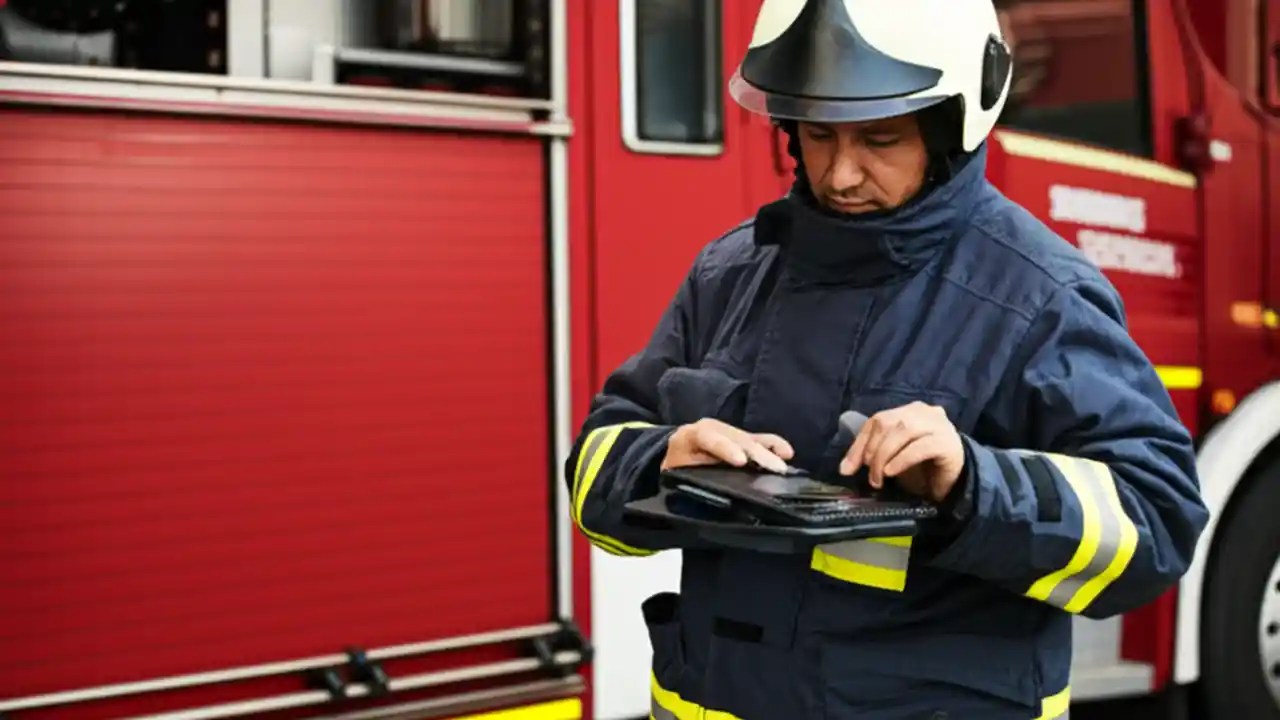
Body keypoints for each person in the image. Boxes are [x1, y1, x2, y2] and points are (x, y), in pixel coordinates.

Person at [564, 0, 1209, 717]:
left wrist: (975, 485)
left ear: (952, 127)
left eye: (879, 137)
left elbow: (1157, 523)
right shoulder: (729, 275)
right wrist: (662, 463)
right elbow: (593, 470)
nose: (841, 174)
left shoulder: (1039, 297)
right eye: (817, 134)